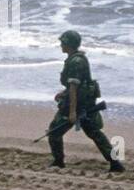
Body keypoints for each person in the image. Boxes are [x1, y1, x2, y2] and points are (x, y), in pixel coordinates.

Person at [44, 30, 124, 172]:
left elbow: (74, 87)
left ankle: (58, 161)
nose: (61, 45)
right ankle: (115, 163)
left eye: (63, 43)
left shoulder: (76, 61)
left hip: (78, 105)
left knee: (54, 132)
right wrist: (63, 93)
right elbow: (75, 86)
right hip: (84, 103)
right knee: (95, 133)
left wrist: (72, 112)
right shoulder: (76, 59)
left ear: (69, 44)